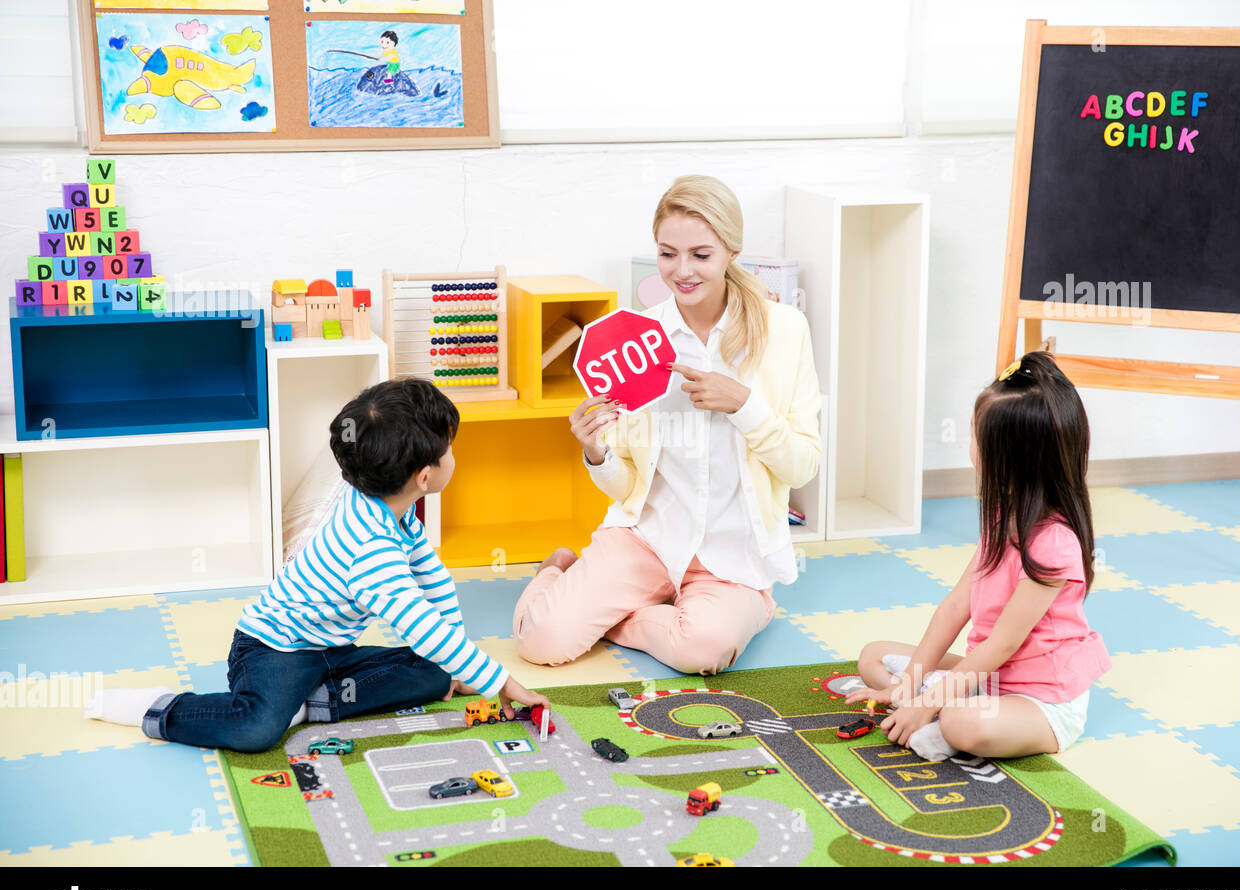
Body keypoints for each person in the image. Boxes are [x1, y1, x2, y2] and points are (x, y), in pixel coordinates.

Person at [86, 378, 549, 751]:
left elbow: (433, 582)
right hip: (274, 649)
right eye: (449, 448)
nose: (453, 454)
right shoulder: (372, 550)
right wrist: (500, 683)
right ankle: (159, 709)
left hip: (330, 652)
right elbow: (421, 626)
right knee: (257, 731)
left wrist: (461, 665)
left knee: (436, 668)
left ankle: (308, 705)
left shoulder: (375, 494)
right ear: (425, 477)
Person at [513, 174, 822, 675]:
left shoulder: (784, 332)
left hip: (731, 553)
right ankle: (558, 572)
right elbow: (627, 485)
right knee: (540, 640)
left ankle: (629, 614)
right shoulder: (635, 339)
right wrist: (597, 453)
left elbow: (803, 465)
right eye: (667, 254)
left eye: (701, 255)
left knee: (704, 651)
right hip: (647, 536)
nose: (682, 271)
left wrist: (744, 405)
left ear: (731, 252)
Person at [848, 351, 1110, 761]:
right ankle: (939, 710)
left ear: (1010, 458)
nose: (967, 444)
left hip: (1040, 702)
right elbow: (956, 605)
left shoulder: (1054, 543)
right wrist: (909, 685)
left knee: (961, 722)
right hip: (987, 681)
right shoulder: (1003, 515)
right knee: (873, 658)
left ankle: (943, 723)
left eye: (974, 435)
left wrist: (928, 701)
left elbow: (1002, 644)